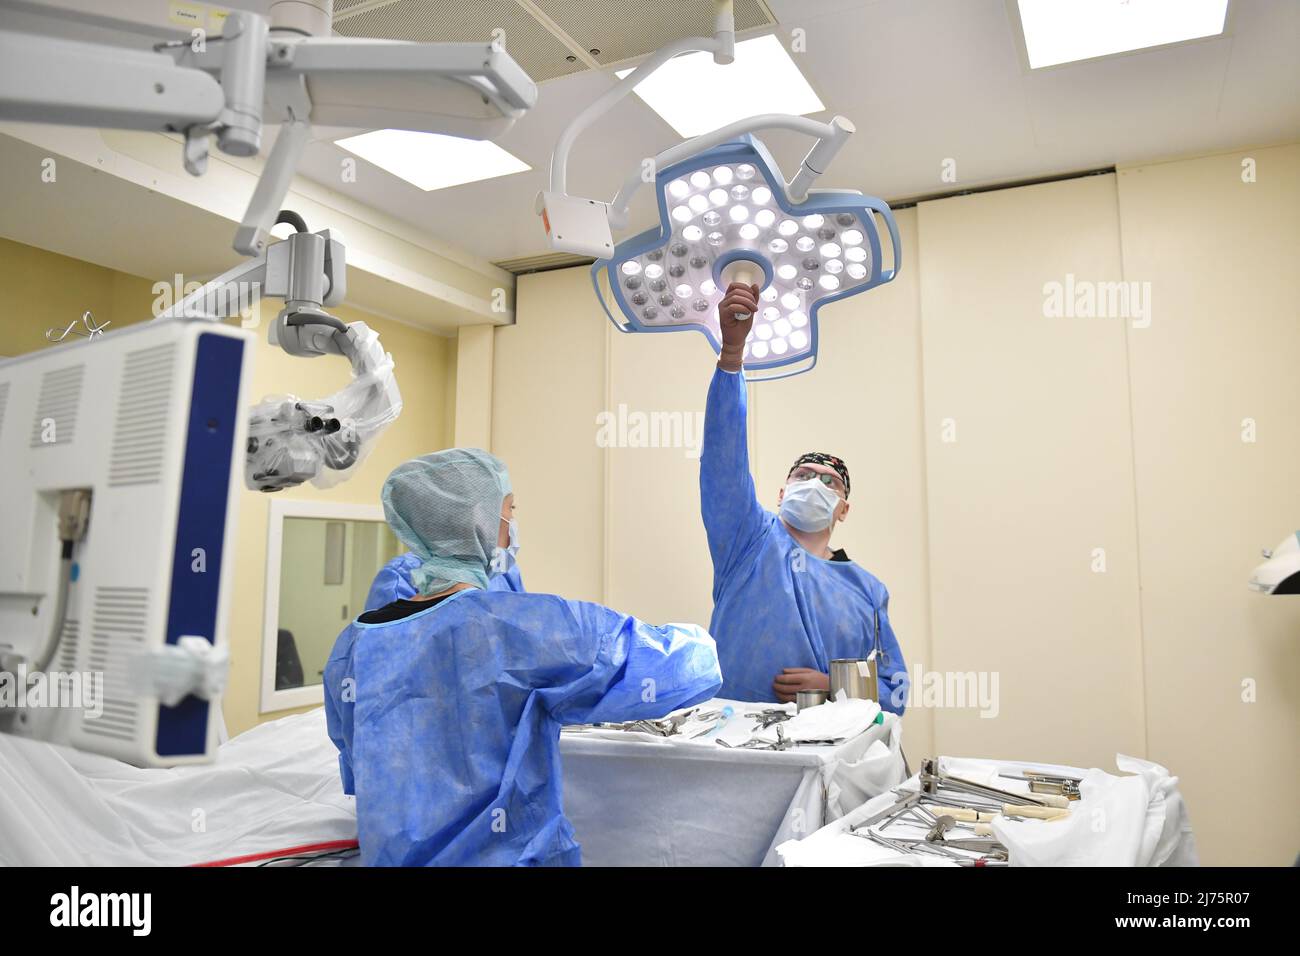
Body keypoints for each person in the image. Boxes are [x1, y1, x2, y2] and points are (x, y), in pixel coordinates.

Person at [324, 448, 721, 866]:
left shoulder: (353, 645)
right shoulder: (515, 627)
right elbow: (649, 661)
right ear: (480, 520)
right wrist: (708, 644)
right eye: (510, 510)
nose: (513, 526)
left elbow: (358, 769)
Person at [699, 282, 908, 711]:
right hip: (730, 743)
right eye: (803, 475)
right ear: (782, 492)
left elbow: (896, 692)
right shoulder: (749, 542)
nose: (815, 483)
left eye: (829, 481)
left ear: (843, 509)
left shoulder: (867, 591)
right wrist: (732, 356)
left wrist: (836, 684)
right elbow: (724, 461)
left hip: (820, 755)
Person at [364, 485, 523, 608]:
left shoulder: (502, 571)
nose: (512, 519)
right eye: (509, 508)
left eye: (512, 507)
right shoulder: (402, 575)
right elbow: (389, 642)